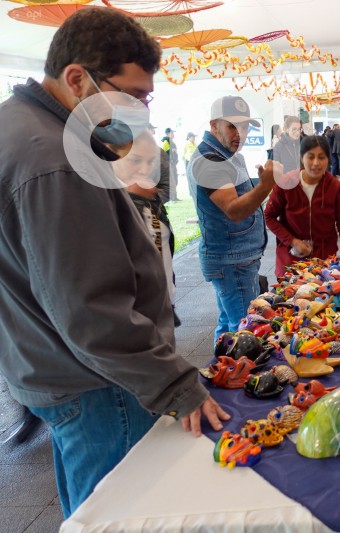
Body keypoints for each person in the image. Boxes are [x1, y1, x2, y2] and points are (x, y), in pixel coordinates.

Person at [0, 8, 228, 518]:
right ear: (77, 79)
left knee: (87, 513)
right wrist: (176, 385)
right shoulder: (53, 156)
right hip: (98, 383)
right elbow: (91, 309)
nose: (141, 112)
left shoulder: (24, 127)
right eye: (133, 96)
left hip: (60, 371)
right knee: (119, 517)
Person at [187, 95, 278, 340]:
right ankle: (237, 374)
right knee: (245, 331)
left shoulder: (227, 156)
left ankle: (219, 370)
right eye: (232, 126)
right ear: (213, 125)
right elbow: (234, 210)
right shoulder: (210, 161)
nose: (241, 133)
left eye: (246, 126)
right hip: (232, 260)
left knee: (230, 322)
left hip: (236, 258)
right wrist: (265, 186)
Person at [112, 131, 181, 327]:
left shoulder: (148, 196)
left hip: (163, 305)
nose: (145, 169)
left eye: (151, 162)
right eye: (135, 160)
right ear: (111, 156)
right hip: (133, 318)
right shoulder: (106, 202)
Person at [264, 135, 340, 278]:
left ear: (328, 159)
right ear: (301, 158)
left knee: (325, 297)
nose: (316, 163)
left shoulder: (337, 188)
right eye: (310, 157)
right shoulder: (286, 182)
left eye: (321, 157)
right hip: (291, 260)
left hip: (325, 261)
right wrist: (292, 241)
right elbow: (269, 216)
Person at [162, 127, 179, 200]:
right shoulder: (166, 142)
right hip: (169, 164)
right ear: (167, 134)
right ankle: (172, 197)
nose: (173, 134)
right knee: (171, 180)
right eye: (171, 133)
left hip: (173, 164)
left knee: (175, 179)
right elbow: (163, 154)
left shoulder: (172, 142)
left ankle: (175, 196)